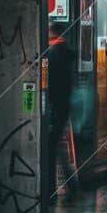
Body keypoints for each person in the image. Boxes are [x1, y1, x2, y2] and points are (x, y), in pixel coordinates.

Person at [45, 22, 77, 201]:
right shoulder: (65, 51)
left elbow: (50, 83)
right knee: (56, 148)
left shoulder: (52, 53)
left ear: (51, 33)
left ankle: (51, 191)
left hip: (55, 107)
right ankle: (71, 185)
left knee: (51, 148)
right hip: (63, 105)